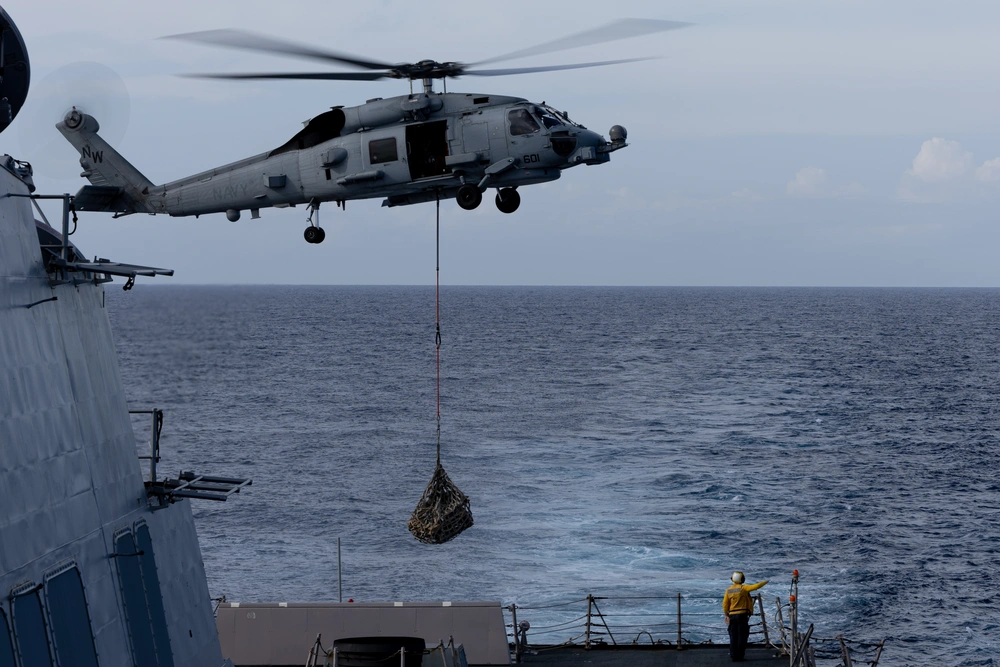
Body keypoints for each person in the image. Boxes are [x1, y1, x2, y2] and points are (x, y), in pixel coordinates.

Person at [723, 571, 768, 662]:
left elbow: (725, 604)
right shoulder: (743, 588)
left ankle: (733, 656)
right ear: (742, 579)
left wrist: (726, 615)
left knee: (733, 636)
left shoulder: (728, 590)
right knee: (742, 636)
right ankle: (740, 656)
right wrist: (766, 581)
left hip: (732, 616)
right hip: (742, 615)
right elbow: (756, 586)